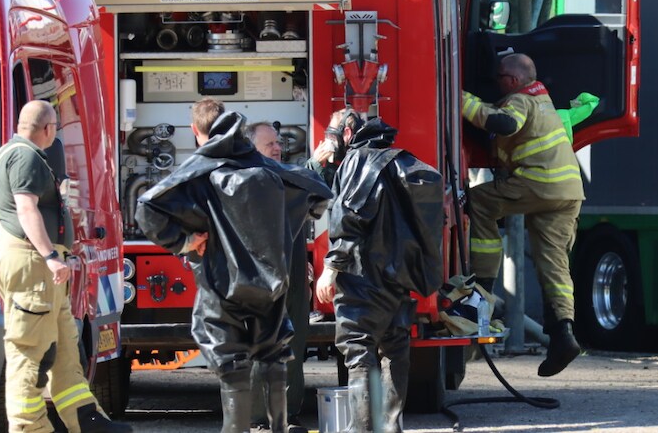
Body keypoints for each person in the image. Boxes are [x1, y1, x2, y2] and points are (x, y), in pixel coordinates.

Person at [135, 99, 330, 432]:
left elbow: (146, 209)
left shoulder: (200, 171)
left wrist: (185, 241)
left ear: (196, 132)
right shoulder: (270, 171)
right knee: (273, 361)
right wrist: (285, 229)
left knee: (233, 369)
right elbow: (319, 192)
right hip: (269, 288)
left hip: (220, 287)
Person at [0, 100, 130, 433]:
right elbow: (27, 210)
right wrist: (50, 256)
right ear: (48, 129)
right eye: (55, 127)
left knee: (65, 345)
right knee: (29, 353)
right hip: (33, 264)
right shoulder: (26, 157)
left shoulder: (4, 154)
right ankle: (29, 427)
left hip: (35, 266)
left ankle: (85, 418)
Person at [314, 116, 444, 433]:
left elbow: (350, 219)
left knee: (358, 353)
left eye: (332, 135)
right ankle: (390, 427)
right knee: (395, 350)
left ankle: (362, 429)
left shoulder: (357, 161)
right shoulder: (399, 160)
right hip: (396, 277)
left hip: (361, 275)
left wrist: (330, 269)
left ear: (347, 133)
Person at [460, 52, 584, 377]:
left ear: (513, 80)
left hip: (539, 183)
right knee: (554, 263)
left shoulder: (520, 100)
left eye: (499, 77)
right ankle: (563, 335)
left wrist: (461, 100)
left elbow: (505, 123)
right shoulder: (544, 99)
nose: (496, 82)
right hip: (568, 191)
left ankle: (481, 288)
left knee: (478, 202)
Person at [243, 120, 307, 430]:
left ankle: (287, 414)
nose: (278, 148)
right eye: (270, 144)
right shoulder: (244, 181)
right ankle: (257, 419)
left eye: (279, 142)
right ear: (252, 148)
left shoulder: (283, 177)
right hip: (260, 275)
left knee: (293, 340)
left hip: (292, 270)